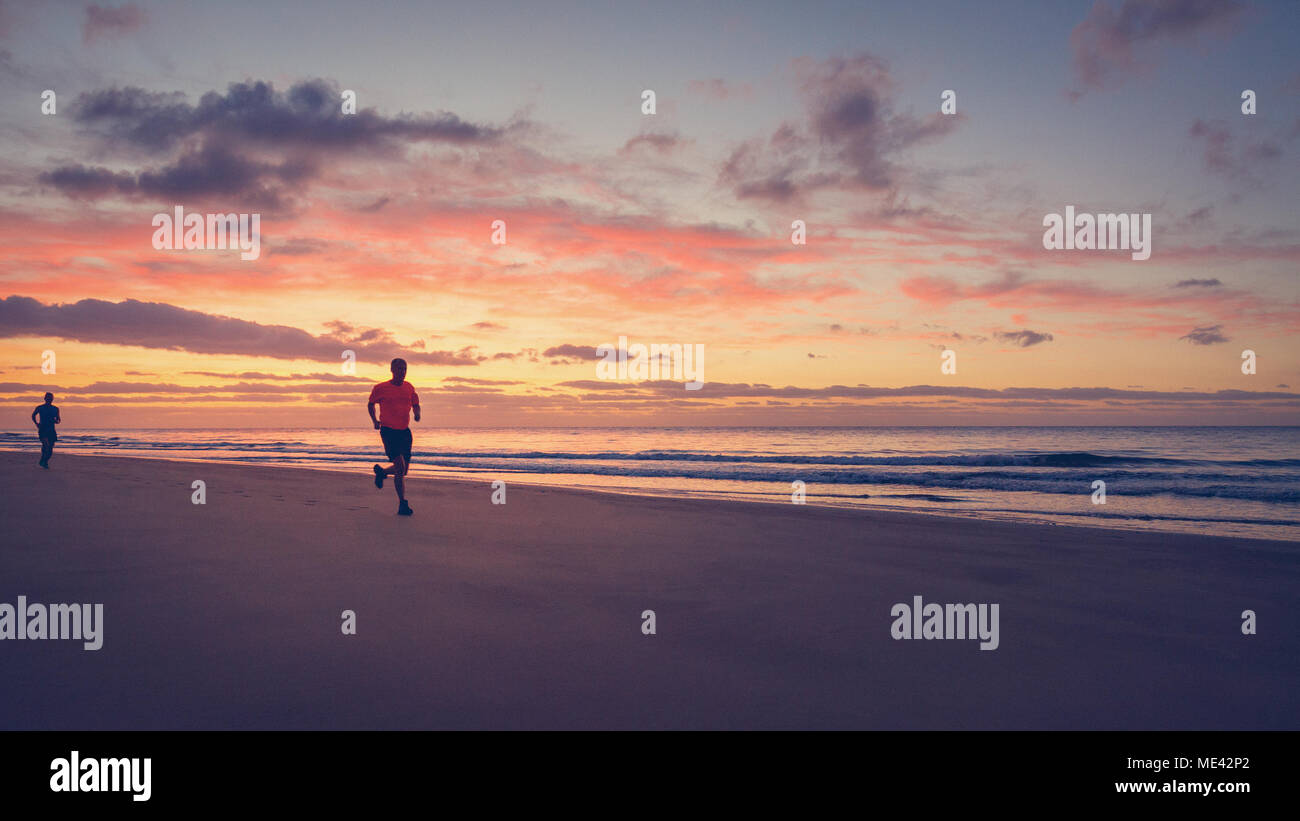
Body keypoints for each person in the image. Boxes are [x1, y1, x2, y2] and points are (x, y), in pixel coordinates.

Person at [367, 358, 420, 516]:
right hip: (389, 431)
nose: (402, 372)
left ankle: (382, 473)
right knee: (400, 467)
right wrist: (375, 420)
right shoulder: (381, 388)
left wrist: (417, 413)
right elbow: (370, 404)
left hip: (404, 432)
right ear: (392, 370)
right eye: (399, 369)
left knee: (403, 471)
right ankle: (402, 504)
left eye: (404, 369)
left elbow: (416, 403)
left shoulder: (409, 387)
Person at [31, 392, 61, 469]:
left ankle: (44, 461)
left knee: (50, 448)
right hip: (43, 429)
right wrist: (36, 423)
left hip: (51, 430)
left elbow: (58, 419)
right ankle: (43, 461)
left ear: (52, 399)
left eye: (51, 398)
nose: (49, 399)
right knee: (46, 445)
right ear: (45, 399)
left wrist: (56, 421)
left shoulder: (55, 409)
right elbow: (33, 415)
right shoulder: (40, 407)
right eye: (48, 398)